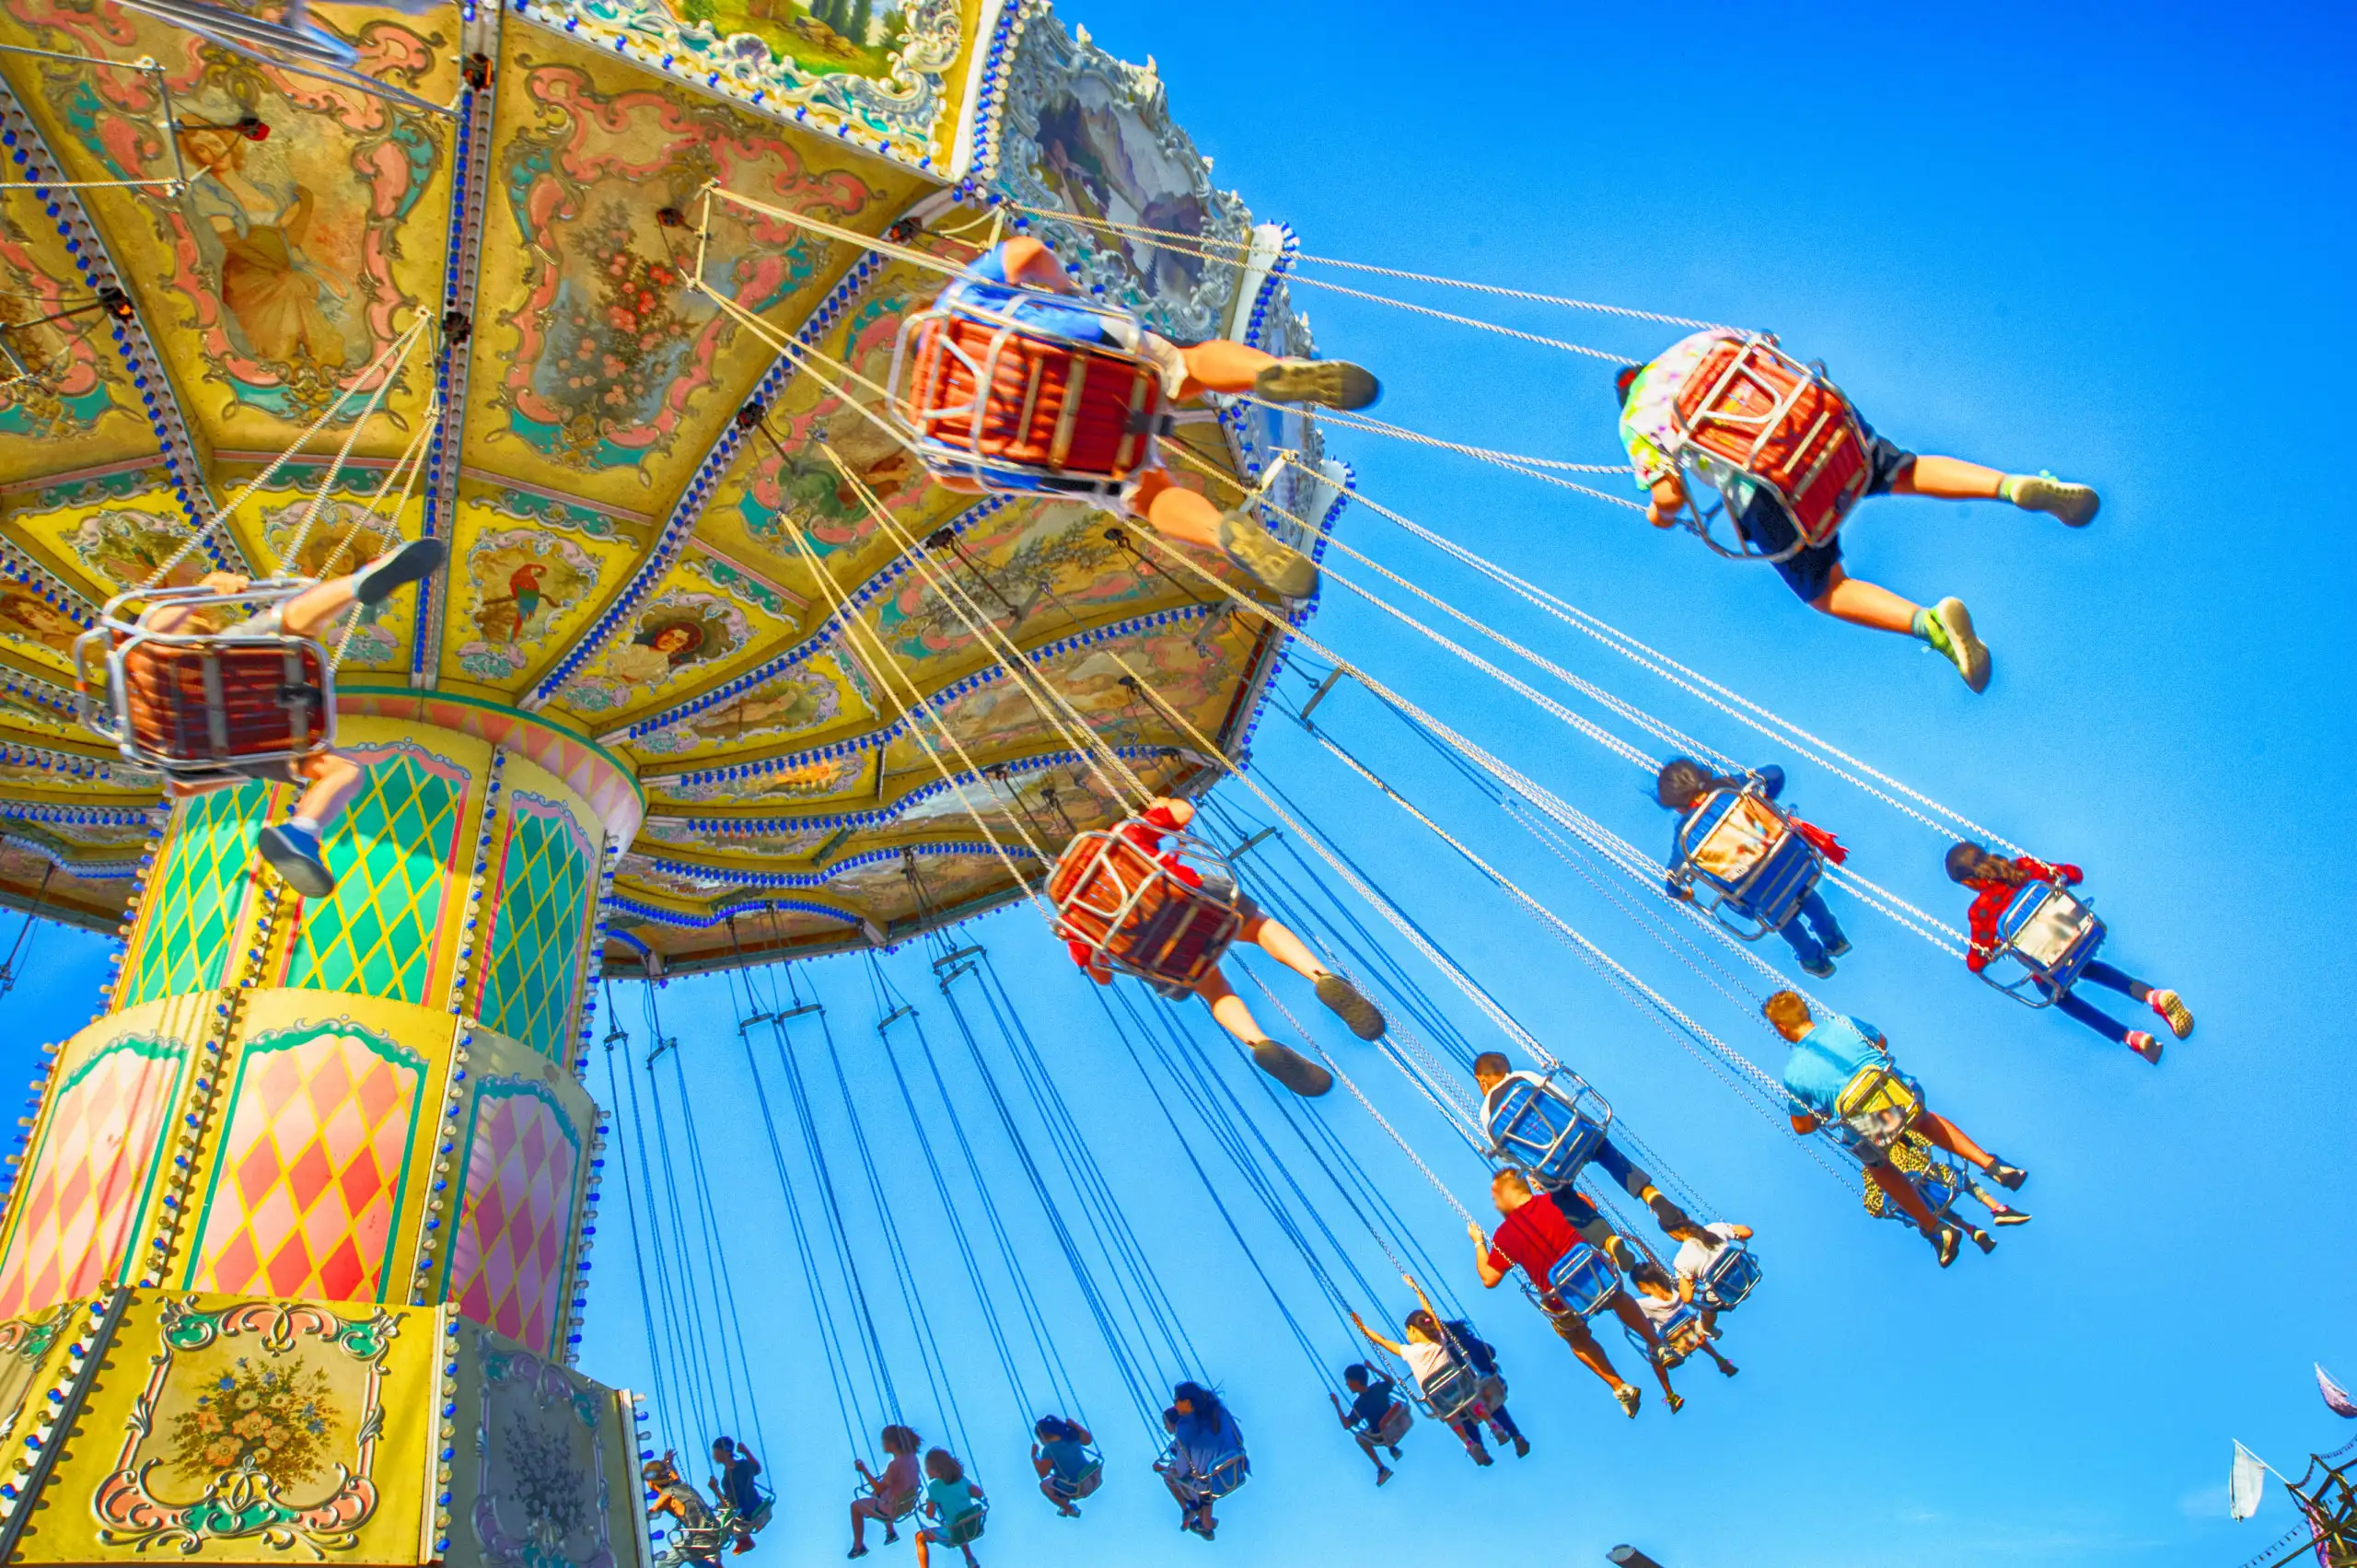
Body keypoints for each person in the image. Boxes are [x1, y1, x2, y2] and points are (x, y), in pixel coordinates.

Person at [1616, 330, 2101, 692]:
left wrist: (1658, 516)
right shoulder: (1702, 342)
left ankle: (1930, 626)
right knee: (1904, 470)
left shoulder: (1636, 418)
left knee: (1826, 590)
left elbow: (1670, 497)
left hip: (1768, 488)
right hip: (1819, 427)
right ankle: (2013, 486)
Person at [923, 236, 1378, 598]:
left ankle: (1221, 532)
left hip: (1075, 452)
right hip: (1087, 353)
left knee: (1148, 495)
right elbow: (1028, 253)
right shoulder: (956, 302)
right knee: (1185, 367)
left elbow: (967, 479)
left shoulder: (935, 439)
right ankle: (1272, 372)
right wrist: (1066, 291)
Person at [135, 538, 447, 898]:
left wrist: (238, 770)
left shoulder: (151, 684)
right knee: (287, 621)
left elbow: (180, 787)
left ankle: (301, 833)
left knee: (345, 770)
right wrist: (205, 590)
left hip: (227, 742)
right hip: (229, 713)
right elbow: (152, 630)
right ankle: (356, 584)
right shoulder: (162, 652)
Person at [1066, 795, 1385, 1097]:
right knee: (1259, 928)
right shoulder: (1121, 836)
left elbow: (1102, 975)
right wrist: (1159, 806)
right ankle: (1321, 977)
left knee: (1214, 989)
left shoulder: (1071, 913)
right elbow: (1183, 812)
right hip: (1197, 905)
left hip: (1163, 958)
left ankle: (1258, 1041)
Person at [1766, 989, 2026, 1268]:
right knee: (1923, 1120)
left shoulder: (1794, 1074)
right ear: (1806, 1011)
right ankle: (1992, 1166)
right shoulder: (1843, 1023)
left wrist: (1825, 1111)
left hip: (1872, 1126)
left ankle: (1934, 1227)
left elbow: (1802, 1125)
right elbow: (1880, 1041)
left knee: (1878, 1165)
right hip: (1900, 1098)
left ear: (1781, 1028)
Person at [1945, 841, 2193, 1064]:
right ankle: (2152, 996)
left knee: (2054, 991)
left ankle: (2131, 1038)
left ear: (1968, 882)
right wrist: (2052, 875)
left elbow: (1976, 961)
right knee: (2086, 966)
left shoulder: (1981, 911)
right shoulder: (2023, 868)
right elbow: (2074, 873)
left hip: (2049, 960)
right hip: (2077, 933)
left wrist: (1995, 948)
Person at [1469, 1169, 1676, 1417]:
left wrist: (1478, 1243)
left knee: (1576, 1339)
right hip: (1596, 1276)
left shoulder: (1504, 1235)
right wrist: (1549, 1192)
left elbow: (1489, 1278)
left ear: (1508, 1192)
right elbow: (1589, 1207)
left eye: (1496, 1198)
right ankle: (1657, 1345)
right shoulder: (1555, 1202)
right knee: (1618, 1298)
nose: (1495, 1204)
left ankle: (1620, 1386)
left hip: (1562, 1302)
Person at [1471, 1050, 1701, 1236]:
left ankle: (1607, 1240)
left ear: (1481, 1080)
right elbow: (1560, 1098)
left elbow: (1504, 1152)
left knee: (1562, 1197)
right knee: (1605, 1151)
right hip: (1576, 1136)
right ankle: (1652, 1196)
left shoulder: (1486, 1114)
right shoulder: (1525, 1078)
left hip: (1551, 1163)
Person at [1655, 759, 1850, 977]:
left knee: (1777, 912)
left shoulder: (1685, 835)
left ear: (1677, 806)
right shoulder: (1730, 788)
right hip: (1791, 860)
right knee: (1801, 890)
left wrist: (1683, 893)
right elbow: (1775, 773)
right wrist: (1761, 792)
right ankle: (1832, 935)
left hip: (1758, 892)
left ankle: (1812, 957)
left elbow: (1672, 885)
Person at [1350, 1277, 1527, 1466]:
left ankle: (1470, 1444)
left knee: (1452, 1415)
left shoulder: (1409, 1352)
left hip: (1439, 1399)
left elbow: (1383, 1341)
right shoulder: (1440, 1340)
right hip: (1461, 1387)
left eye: (1408, 1331)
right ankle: (1496, 1426)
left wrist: (1363, 1328)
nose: (1407, 1336)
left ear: (1413, 1329)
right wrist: (1417, 1290)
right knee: (1473, 1398)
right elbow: (1430, 1313)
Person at [1157, 1382, 1247, 1539]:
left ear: (1188, 1402)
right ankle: (1203, 1521)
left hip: (1212, 1483)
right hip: (1234, 1469)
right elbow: (1239, 1437)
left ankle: (1198, 1516)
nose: (1176, 1406)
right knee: (1203, 1472)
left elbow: (1182, 1470)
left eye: (1177, 1401)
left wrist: (1166, 1469)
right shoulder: (1219, 1411)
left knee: (1172, 1477)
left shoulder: (1185, 1427)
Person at [1627, 1263, 1740, 1381]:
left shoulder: (1642, 1304)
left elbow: (1635, 1319)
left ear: (1641, 1286)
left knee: (1652, 1349)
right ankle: (1718, 1358)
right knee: (1692, 1329)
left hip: (1673, 1341)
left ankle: (1670, 1394)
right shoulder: (1675, 1288)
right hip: (1693, 1332)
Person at [1436, 1316, 1530, 1458]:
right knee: (1492, 1404)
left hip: (1464, 1392)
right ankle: (1516, 1435)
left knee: (1465, 1414)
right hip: (1485, 1383)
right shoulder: (1465, 1340)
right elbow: (1490, 1352)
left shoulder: (1441, 1353)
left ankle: (1479, 1449)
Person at [848, 1423, 923, 1559]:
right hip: (907, 1503)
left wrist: (863, 1470)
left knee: (855, 1506)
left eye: (884, 1442)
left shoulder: (895, 1465)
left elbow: (879, 1488)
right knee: (879, 1495)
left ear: (892, 1445)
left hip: (891, 1508)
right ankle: (890, 1532)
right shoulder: (912, 1458)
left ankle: (858, 1547)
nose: (882, 1445)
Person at [1329, 1363, 1407, 1482]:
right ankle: (1392, 1449)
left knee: (1359, 1437)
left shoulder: (1359, 1405)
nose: (1346, 1384)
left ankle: (1382, 1468)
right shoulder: (1378, 1387)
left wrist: (1337, 1405)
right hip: (1399, 1424)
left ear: (1355, 1382)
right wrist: (1374, 1369)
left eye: (1348, 1381)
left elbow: (1347, 1425)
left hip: (1383, 1436)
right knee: (1380, 1423)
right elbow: (1391, 1382)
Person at [644, 1452, 726, 1565]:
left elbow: (649, 1514)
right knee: (681, 1544)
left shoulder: (666, 1497)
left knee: (664, 1564)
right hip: (715, 1531)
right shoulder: (679, 1484)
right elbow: (673, 1474)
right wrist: (669, 1464)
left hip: (703, 1539)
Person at [912, 1448, 984, 1568]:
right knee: (960, 1522)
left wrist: (927, 1505)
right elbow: (978, 1493)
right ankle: (970, 1560)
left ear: (937, 1470)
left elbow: (930, 1515)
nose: (926, 1470)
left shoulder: (934, 1488)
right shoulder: (961, 1479)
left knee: (920, 1537)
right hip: (972, 1526)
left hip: (952, 1534)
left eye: (928, 1468)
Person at [1029, 1416, 1097, 1517]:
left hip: (1076, 1487)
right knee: (1059, 1477)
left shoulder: (1049, 1450)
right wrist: (1075, 1425)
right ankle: (1064, 1500)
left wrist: (1034, 1457)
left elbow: (1043, 1473)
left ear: (1043, 1436)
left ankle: (1069, 1509)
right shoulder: (1072, 1437)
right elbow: (1088, 1440)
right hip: (1091, 1477)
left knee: (1045, 1485)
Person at [708, 1436, 763, 1555]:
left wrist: (715, 1490)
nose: (713, 1456)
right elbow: (757, 1469)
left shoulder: (729, 1479)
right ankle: (744, 1541)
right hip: (755, 1503)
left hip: (744, 1513)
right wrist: (746, 1451)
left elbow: (729, 1506)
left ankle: (742, 1542)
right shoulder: (743, 1465)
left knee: (712, 1516)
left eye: (715, 1452)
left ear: (724, 1452)